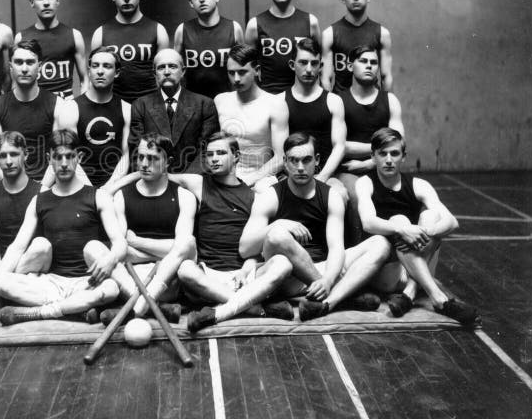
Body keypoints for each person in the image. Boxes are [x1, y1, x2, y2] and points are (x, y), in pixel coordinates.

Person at [239, 132, 391, 321]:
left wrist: (327, 279)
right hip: (287, 275)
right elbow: (245, 249)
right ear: (285, 162)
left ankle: (329, 301)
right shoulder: (271, 196)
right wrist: (277, 224)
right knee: (277, 235)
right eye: (294, 161)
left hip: (323, 268)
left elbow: (337, 248)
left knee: (380, 243)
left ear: (317, 160)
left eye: (306, 160)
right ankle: (343, 294)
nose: (300, 167)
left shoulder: (331, 196)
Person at [0, 130, 126, 325]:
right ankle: (75, 309)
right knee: (0, 283)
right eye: (58, 157)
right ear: (49, 159)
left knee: (111, 288)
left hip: (87, 282)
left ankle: (41, 312)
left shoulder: (98, 196)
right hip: (51, 282)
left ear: (78, 158)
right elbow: (17, 247)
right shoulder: (39, 200)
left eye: (70, 157)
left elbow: (120, 243)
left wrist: (110, 260)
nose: (64, 163)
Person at [170, 133, 294, 333]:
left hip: (244, 276)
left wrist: (246, 270)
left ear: (236, 156)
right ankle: (255, 308)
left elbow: (255, 248)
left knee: (284, 264)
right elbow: (160, 176)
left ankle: (225, 306)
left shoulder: (254, 196)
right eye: (210, 155)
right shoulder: (199, 184)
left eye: (220, 153)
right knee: (184, 269)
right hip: (209, 275)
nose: (214, 159)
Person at [355, 128, 478, 324]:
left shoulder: (418, 184)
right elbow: (368, 222)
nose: (388, 159)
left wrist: (425, 232)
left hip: (413, 268)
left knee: (431, 216)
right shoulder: (365, 183)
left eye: (394, 153)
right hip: (386, 273)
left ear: (403, 157)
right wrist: (403, 229)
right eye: (382, 154)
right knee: (399, 220)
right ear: (373, 156)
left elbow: (451, 221)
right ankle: (439, 298)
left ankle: (409, 294)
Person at [104, 133, 197, 323]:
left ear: (168, 162)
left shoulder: (184, 197)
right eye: (140, 157)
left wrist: (137, 242)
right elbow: (122, 251)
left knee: (188, 243)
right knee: (101, 252)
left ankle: (135, 308)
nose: (144, 164)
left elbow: (184, 248)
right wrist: (166, 251)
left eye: (153, 158)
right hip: (131, 278)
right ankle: (154, 308)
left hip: (166, 280)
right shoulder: (122, 196)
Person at [337, 45, 404, 245]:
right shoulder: (338, 101)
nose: (369, 66)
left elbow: (398, 142)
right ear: (350, 66)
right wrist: (379, 151)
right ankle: (361, 255)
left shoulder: (390, 100)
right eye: (363, 61)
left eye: (373, 62)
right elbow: (340, 145)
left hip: (381, 167)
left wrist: (369, 163)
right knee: (358, 195)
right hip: (348, 171)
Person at [0, 131, 41, 317]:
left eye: (14, 154)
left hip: (26, 265)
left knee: (41, 247)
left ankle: (2, 293)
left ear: (25, 155)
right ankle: (6, 292)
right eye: (3, 156)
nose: (9, 161)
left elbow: (20, 247)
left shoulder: (41, 193)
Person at [129, 48, 219, 174]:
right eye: (161, 68)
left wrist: (183, 181)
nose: (167, 72)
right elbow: (136, 151)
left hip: (193, 181)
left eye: (172, 66)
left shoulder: (204, 105)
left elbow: (207, 151)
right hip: (154, 180)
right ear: (154, 74)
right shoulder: (140, 106)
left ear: (183, 71)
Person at [53, 46, 131, 189]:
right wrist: (90, 191)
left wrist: (109, 189)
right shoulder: (70, 108)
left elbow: (127, 156)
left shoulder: (127, 109)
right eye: (95, 66)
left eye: (107, 66)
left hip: (115, 186)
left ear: (117, 72)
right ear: (89, 71)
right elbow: (68, 156)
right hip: (77, 186)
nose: (100, 71)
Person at [90, 0, 170, 103]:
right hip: (113, 107)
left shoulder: (158, 31)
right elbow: (95, 79)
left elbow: (164, 77)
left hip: (149, 107)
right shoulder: (100, 34)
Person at [0, 38, 60, 183]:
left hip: (46, 186)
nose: (24, 68)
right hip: (10, 185)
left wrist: (41, 191)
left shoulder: (58, 105)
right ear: (10, 66)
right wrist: (12, 188)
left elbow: (57, 157)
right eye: (19, 62)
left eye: (30, 62)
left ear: (39, 66)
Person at [214, 44, 288, 187]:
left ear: (257, 70)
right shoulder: (220, 101)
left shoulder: (275, 104)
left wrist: (249, 181)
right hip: (226, 174)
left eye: (242, 72)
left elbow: (281, 157)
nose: (236, 79)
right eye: (231, 73)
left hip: (262, 177)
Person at [244, 0, 321, 94]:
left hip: (302, 96)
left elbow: (320, 62)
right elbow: (248, 68)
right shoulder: (254, 25)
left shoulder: (310, 22)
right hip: (268, 96)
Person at [281, 37, 346, 183]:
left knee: (340, 195)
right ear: (292, 65)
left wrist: (321, 178)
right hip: (289, 175)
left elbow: (340, 147)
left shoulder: (333, 101)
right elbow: (279, 152)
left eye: (314, 63)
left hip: (326, 175)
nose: (309, 69)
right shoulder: (280, 101)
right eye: (303, 63)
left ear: (321, 66)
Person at [14, 0, 88, 99]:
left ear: (57, 1)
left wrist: (81, 108)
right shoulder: (21, 38)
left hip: (66, 103)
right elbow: (16, 84)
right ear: (32, 2)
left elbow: (85, 80)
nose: (46, 2)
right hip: (35, 105)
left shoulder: (74, 35)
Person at [320, 0, 393, 93]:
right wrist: (331, 108)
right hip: (341, 104)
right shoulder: (329, 34)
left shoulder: (382, 33)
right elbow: (325, 79)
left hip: (372, 105)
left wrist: (386, 107)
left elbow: (386, 77)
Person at [173, 0, 243, 97]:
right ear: (191, 2)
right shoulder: (183, 30)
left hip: (225, 102)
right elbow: (175, 71)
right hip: (192, 104)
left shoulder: (234, 28)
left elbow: (242, 71)